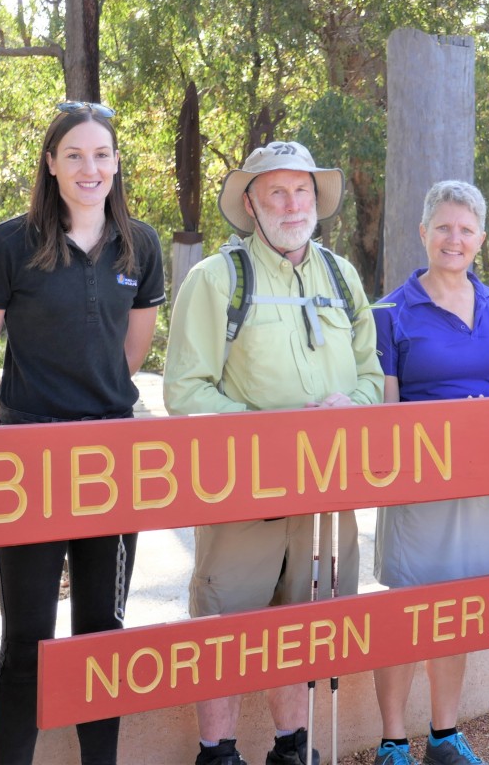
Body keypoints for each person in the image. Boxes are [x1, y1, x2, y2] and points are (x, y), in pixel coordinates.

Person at [0, 101, 165, 764]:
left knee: (103, 640)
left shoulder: (142, 244)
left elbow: (130, 352)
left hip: (113, 467)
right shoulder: (10, 244)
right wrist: (16, 425)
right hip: (28, 467)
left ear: (117, 162)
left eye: (101, 154)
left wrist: (92, 414)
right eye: (73, 154)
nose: (88, 167)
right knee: (28, 642)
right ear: (50, 163)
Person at [163, 140, 383, 765]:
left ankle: (291, 748)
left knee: (307, 622)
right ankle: (218, 752)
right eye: (277, 193)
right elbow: (185, 391)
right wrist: (272, 431)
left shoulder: (342, 278)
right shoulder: (216, 279)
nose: (293, 204)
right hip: (243, 495)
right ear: (252, 206)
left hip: (328, 493)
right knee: (225, 622)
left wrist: (356, 405)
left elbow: (371, 373)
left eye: (303, 191)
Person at [369, 181, 489, 765]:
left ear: (481, 238)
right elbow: (385, 409)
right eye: (444, 227)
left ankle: (444, 735)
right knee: (407, 608)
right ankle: (392, 740)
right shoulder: (391, 312)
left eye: (466, 229)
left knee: (461, 606)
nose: (455, 239)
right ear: (423, 232)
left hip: (482, 483)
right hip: (418, 482)